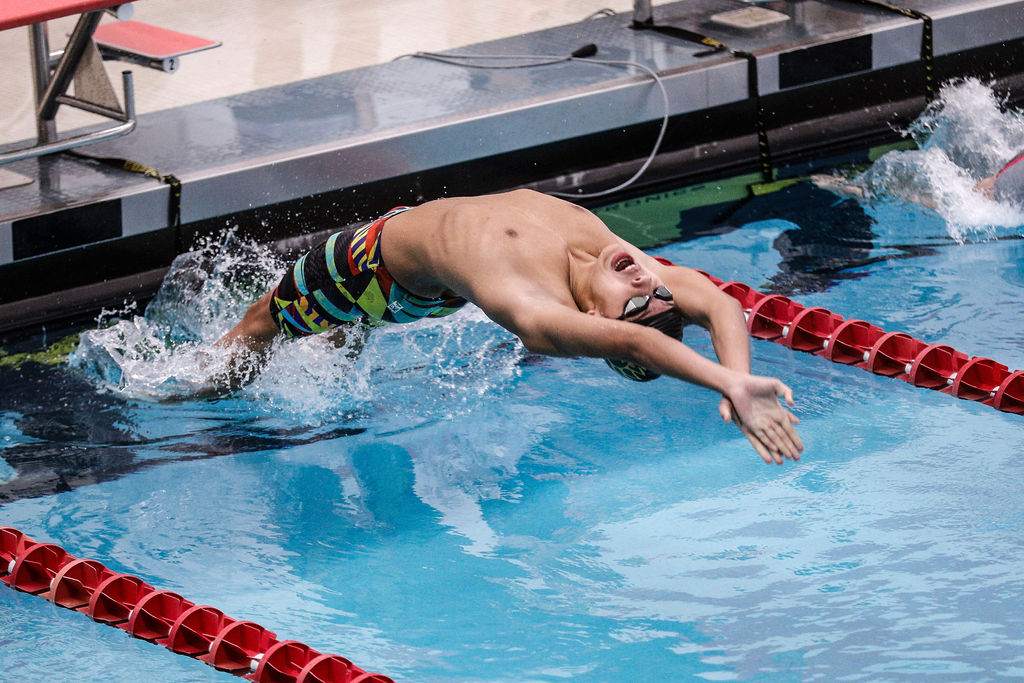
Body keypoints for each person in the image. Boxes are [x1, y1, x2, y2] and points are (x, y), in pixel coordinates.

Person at [217, 189, 803, 464]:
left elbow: (636, 339)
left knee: (252, 332)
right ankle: (339, 356)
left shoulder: (540, 313)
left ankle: (183, 386)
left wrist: (722, 387)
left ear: (594, 320)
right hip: (430, 258)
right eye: (658, 291)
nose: (646, 285)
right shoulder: (637, 272)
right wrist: (739, 375)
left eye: (634, 301)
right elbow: (721, 307)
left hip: (370, 268)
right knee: (345, 332)